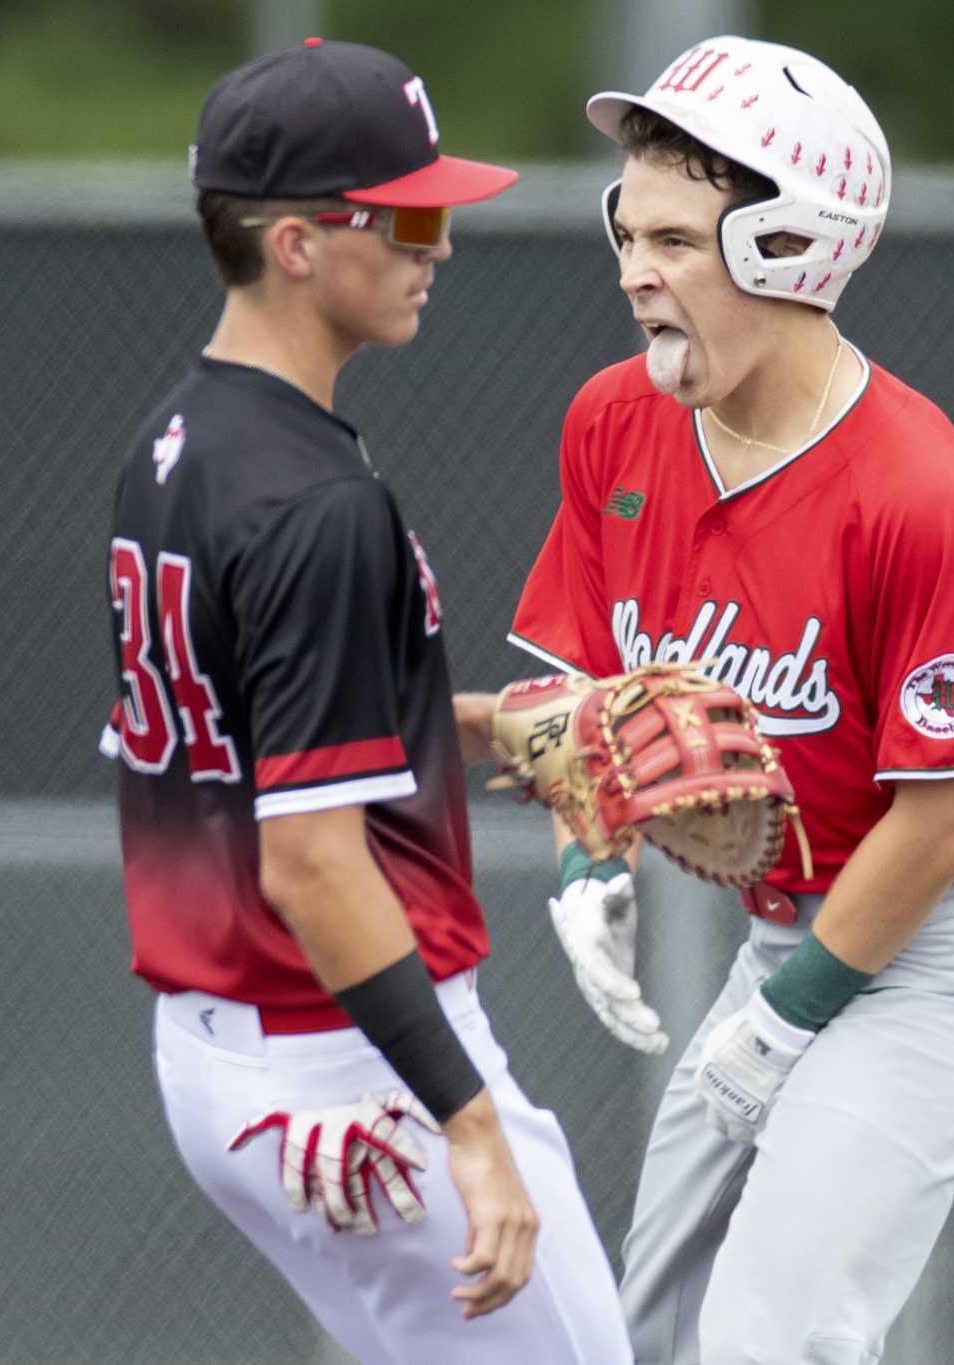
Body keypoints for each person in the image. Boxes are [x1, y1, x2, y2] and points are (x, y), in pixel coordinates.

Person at [507, 36, 954, 1364]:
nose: (634, 267)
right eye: (625, 227)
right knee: (644, 1332)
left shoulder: (918, 495)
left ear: (791, 247)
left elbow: (940, 820)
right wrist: (592, 853)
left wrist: (784, 1017)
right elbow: (577, 693)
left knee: (771, 1338)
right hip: (787, 943)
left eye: (679, 239)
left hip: (943, 967)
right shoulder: (615, 424)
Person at [101, 38, 632, 1364]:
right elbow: (311, 858)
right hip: (348, 1059)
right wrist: (468, 1126)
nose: (437, 244)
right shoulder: (312, 499)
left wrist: (474, 722)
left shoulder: (181, 443)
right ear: (293, 243)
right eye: (405, 214)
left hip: (220, 1056)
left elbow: (246, 732)